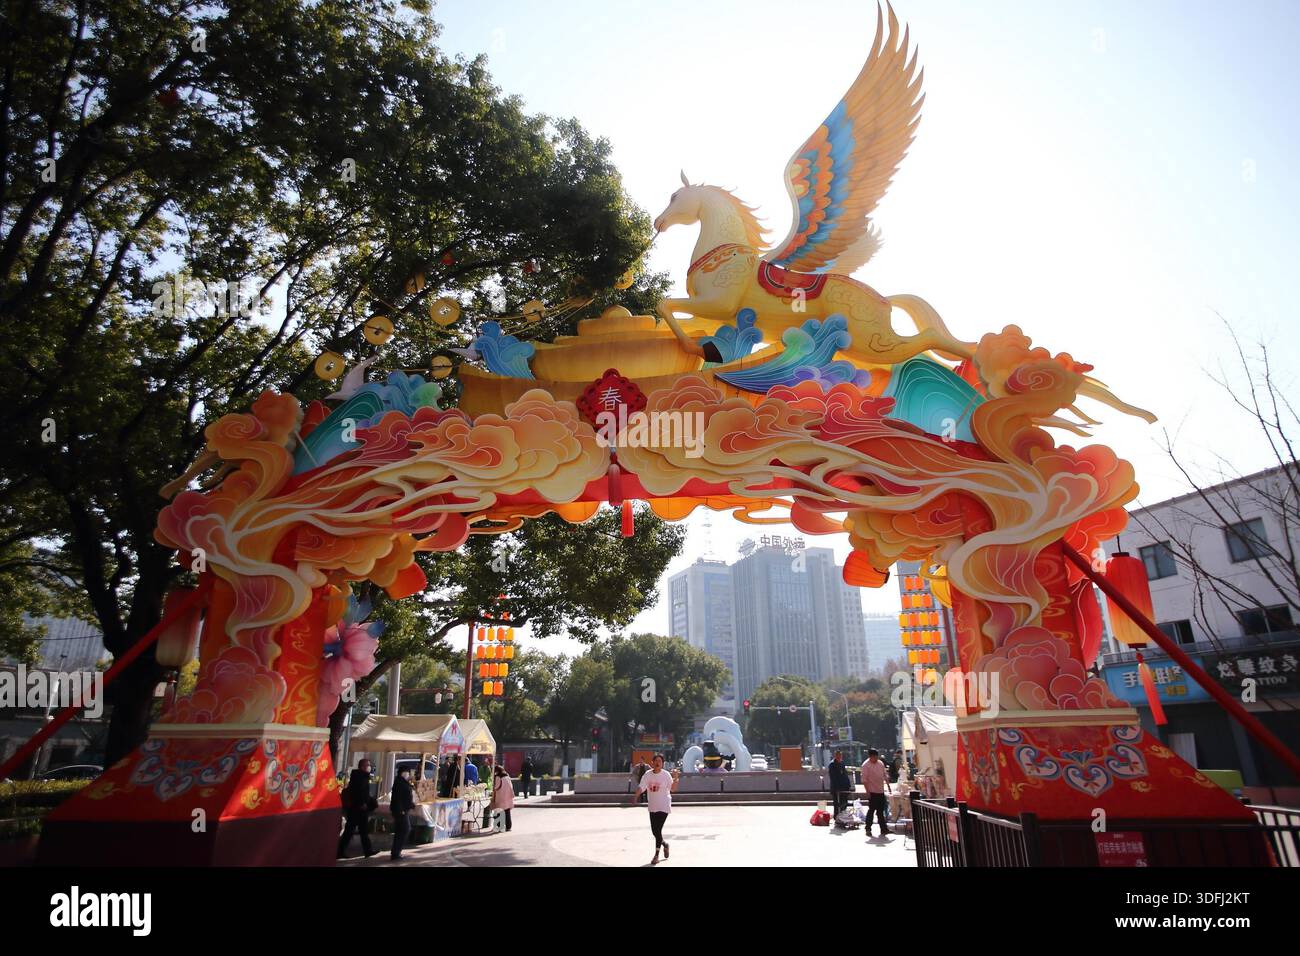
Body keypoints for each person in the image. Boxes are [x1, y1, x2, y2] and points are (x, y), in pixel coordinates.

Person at [634, 753, 679, 864]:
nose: (658, 763)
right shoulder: (647, 775)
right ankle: (665, 844)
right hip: (653, 806)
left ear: (662, 764)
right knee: (655, 832)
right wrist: (636, 796)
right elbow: (641, 787)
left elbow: (673, 789)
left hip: (664, 806)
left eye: (660, 761)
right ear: (652, 763)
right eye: (656, 761)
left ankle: (656, 855)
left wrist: (676, 778)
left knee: (658, 830)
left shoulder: (666, 775)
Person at [337, 758, 378, 859]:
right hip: (358, 809)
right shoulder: (359, 777)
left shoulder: (361, 776)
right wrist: (362, 803)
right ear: (362, 766)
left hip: (358, 808)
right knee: (351, 831)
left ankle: (367, 850)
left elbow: (363, 793)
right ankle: (340, 851)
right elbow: (358, 793)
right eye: (368, 765)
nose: (369, 767)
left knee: (361, 831)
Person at [860, 749, 892, 837]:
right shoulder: (866, 765)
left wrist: (888, 786)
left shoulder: (880, 763)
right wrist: (867, 791)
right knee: (871, 811)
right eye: (873, 757)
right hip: (872, 791)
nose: (875, 758)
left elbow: (884, 775)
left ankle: (883, 829)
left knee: (880, 811)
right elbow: (864, 780)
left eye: (876, 756)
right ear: (870, 756)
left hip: (880, 791)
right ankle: (868, 828)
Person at [389, 766, 415, 860]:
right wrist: (401, 810)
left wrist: (411, 804)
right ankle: (396, 852)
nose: (409, 774)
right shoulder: (400, 783)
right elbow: (398, 798)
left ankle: (396, 852)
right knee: (404, 829)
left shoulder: (403, 782)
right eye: (407, 772)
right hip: (400, 811)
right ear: (403, 773)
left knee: (401, 831)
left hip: (403, 810)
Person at [828, 750, 852, 821]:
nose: (839, 757)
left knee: (844, 802)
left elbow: (845, 775)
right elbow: (833, 777)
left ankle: (843, 816)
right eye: (838, 755)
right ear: (835, 756)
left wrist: (848, 785)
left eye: (840, 755)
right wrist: (837, 788)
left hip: (844, 787)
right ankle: (837, 817)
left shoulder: (842, 763)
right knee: (837, 803)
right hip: (836, 788)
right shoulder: (832, 764)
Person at [490, 764, 515, 831]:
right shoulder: (507, 776)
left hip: (500, 796)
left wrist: (492, 788)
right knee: (507, 812)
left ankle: (500, 826)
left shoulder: (498, 777)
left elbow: (497, 787)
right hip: (507, 796)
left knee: (499, 811)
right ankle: (508, 826)